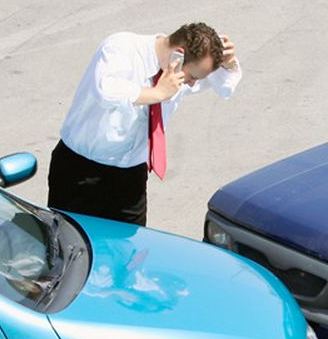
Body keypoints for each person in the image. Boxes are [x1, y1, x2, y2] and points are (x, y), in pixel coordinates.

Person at [47, 23, 241, 226]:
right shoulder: (121, 47)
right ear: (178, 55)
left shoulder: (177, 73)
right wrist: (157, 93)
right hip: (81, 172)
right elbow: (106, 90)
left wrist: (230, 64)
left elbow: (225, 88)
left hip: (130, 178)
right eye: (192, 76)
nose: (192, 84)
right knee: (69, 247)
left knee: (131, 250)